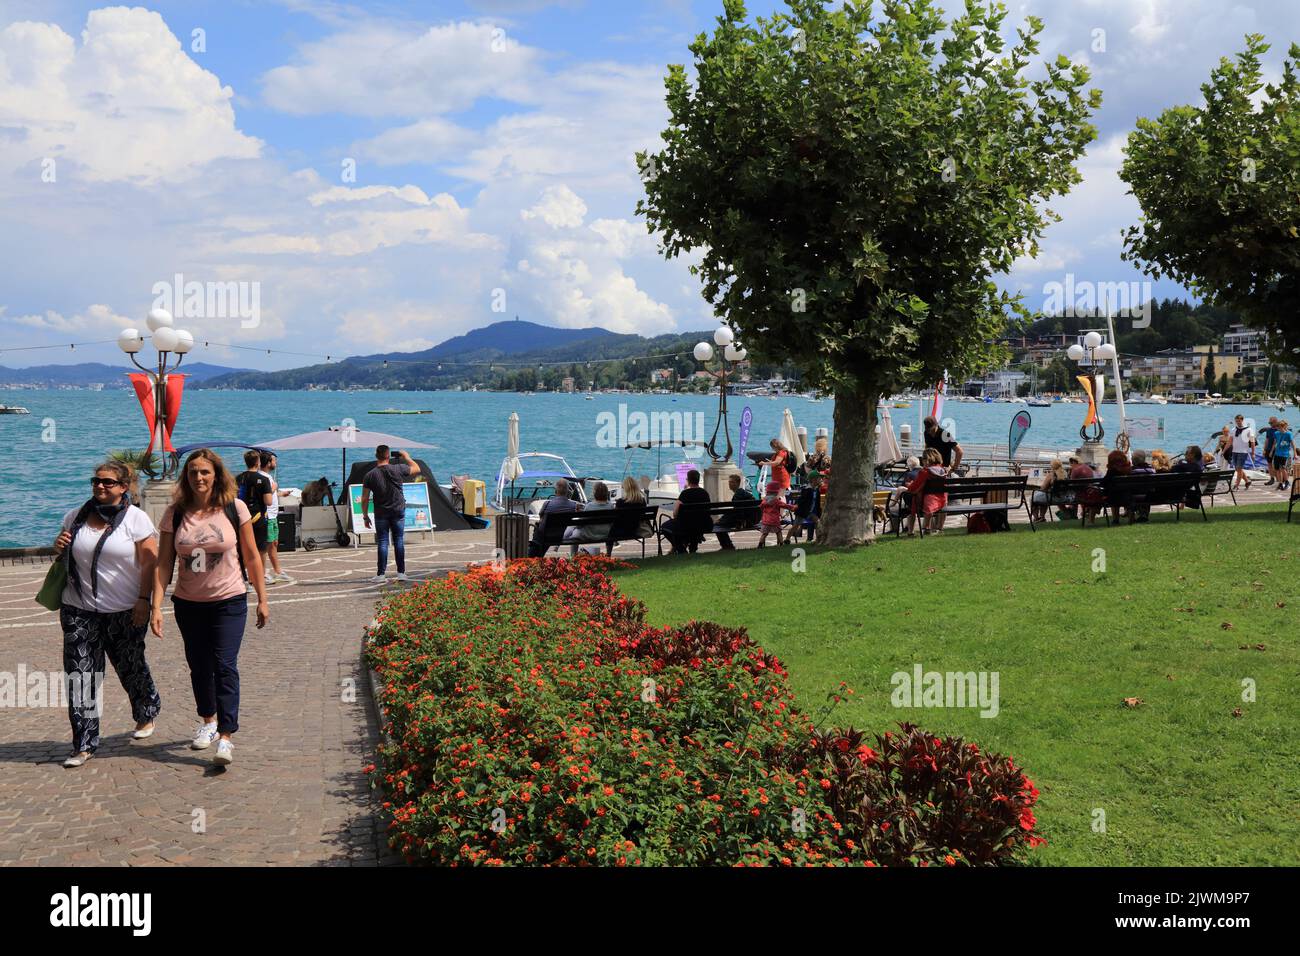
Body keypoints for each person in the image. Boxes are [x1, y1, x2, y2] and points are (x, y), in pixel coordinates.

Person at [152, 449, 269, 768]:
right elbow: (163, 562)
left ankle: (227, 736)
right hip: (189, 604)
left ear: (216, 475)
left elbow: (252, 556)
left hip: (229, 601)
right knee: (199, 666)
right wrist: (156, 606)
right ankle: (208, 720)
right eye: (193, 473)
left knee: (225, 665)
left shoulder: (235, 508)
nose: (199, 477)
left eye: (205, 472)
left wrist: (262, 598)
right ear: (186, 478)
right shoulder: (175, 513)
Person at [52, 462, 161, 768]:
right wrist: (59, 545)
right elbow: (65, 553)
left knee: (130, 666)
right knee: (81, 675)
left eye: (108, 482)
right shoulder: (76, 517)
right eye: (96, 481)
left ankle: (146, 710)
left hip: (124, 609)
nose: (100, 486)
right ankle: (84, 743)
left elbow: (151, 563)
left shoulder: (136, 520)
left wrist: (145, 600)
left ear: (124, 487)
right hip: (79, 610)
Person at [360, 445, 421, 581]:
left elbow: (364, 499)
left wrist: (365, 516)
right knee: (398, 540)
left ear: (376, 455)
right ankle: (401, 573)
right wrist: (406, 457)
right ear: (388, 456)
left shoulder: (370, 475)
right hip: (398, 509)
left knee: (382, 542)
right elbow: (417, 468)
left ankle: (381, 574)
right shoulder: (398, 469)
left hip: (381, 512)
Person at [659, 469, 711, 554]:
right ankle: (693, 545)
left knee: (665, 527)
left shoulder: (684, 494)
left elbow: (675, 514)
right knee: (691, 524)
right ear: (698, 480)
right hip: (704, 524)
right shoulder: (705, 493)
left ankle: (681, 549)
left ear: (688, 480)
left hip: (686, 525)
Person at [259, 451, 292, 584]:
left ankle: (278, 571)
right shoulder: (263, 477)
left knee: (273, 544)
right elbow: (263, 494)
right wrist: (273, 488)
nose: (275, 463)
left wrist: (280, 493)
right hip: (267, 516)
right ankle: (263, 573)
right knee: (266, 545)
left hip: (273, 516)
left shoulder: (268, 477)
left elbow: (270, 493)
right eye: (273, 460)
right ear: (268, 463)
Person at [527, 478, 579, 557]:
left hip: (546, 536)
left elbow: (541, 518)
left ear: (555, 491)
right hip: (562, 536)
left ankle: (534, 557)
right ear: (567, 491)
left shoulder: (547, 504)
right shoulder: (573, 506)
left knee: (539, 533)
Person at [562, 481, 614, 557]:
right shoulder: (610, 505)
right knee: (575, 530)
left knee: (575, 533)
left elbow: (581, 524)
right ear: (606, 493)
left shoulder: (589, 506)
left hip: (590, 534)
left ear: (594, 493)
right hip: (606, 534)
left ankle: (573, 556)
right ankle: (608, 555)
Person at [905, 448, 948, 534]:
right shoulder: (943, 471)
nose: (922, 461)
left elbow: (912, 488)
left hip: (925, 502)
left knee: (907, 497)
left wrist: (909, 485)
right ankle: (938, 528)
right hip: (942, 500)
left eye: (923, 459)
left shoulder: (925, 472)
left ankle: (913, 530)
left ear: (927, 459)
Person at [713, 473, 758, 550]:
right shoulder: (743, 493)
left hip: (743, 521)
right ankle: (728, 545)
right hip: (749, 519)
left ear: (737, 483)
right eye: (729, 482)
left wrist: (721, 520)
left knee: (717, 526)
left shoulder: (738, 495)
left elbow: (735, 512)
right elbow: (735, 511)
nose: (730, 484)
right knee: (720, 524)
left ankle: (727, 546)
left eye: (732, 482)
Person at [756, 480, 795, 547]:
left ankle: (760, 544)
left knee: (764, 534)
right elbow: (784, 505)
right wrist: (793, 507)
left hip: (766, 521)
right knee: (778, 532)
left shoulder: (764, 500)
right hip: (775, 520)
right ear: (776, 492)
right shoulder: (776, 501)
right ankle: (781, 543)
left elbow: (761, 507)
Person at [1057, 455, 1095, 520]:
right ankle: (1077, 513)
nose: (1071, 465)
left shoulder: (1075, 470)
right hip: (1089, 493)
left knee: (1058, 497)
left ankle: (1070, 515)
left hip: (1079, 495)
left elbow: (1071, 484)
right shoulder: (1089, 468)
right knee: (1076, 493)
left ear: (1074, 462)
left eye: (1071, 463)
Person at [1172, 444, 1207, 511]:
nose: (1185, 454)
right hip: (1190, 490)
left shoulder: (1182, 466)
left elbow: (1173, 470)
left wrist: (1180, 462)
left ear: (1192, 455)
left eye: (1187, 453)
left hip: (1175, 492)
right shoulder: (1198, 468)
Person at [1228, 414, 1256, 491]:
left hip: (1243, 452)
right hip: (1235, 451)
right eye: (1236, 421)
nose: (1238, 422)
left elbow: (1252, 442)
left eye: (1239, 421)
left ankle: (1236, 485)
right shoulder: (1233, 430)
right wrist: (1224, 450)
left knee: (1239, 468)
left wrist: (1253, 453)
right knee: (1237, 469)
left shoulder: (1248, 430)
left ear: (1242, 420)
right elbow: (1230, 441)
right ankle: (1247, 481)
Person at [1272, 420, 1293, 491]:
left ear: (1284, 427)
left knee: (1283, 468)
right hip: (1277, 453)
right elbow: (1275, 443)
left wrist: (1295, 453)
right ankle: (1280, 483)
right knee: (1277, 469)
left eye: (1280, 427)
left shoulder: (1288, 434)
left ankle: (1287, 482)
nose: (1279, 429)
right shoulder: (1276, 433)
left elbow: (1292, 443)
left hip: (1284, 454)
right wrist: (1272, 451)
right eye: (1278, 427)